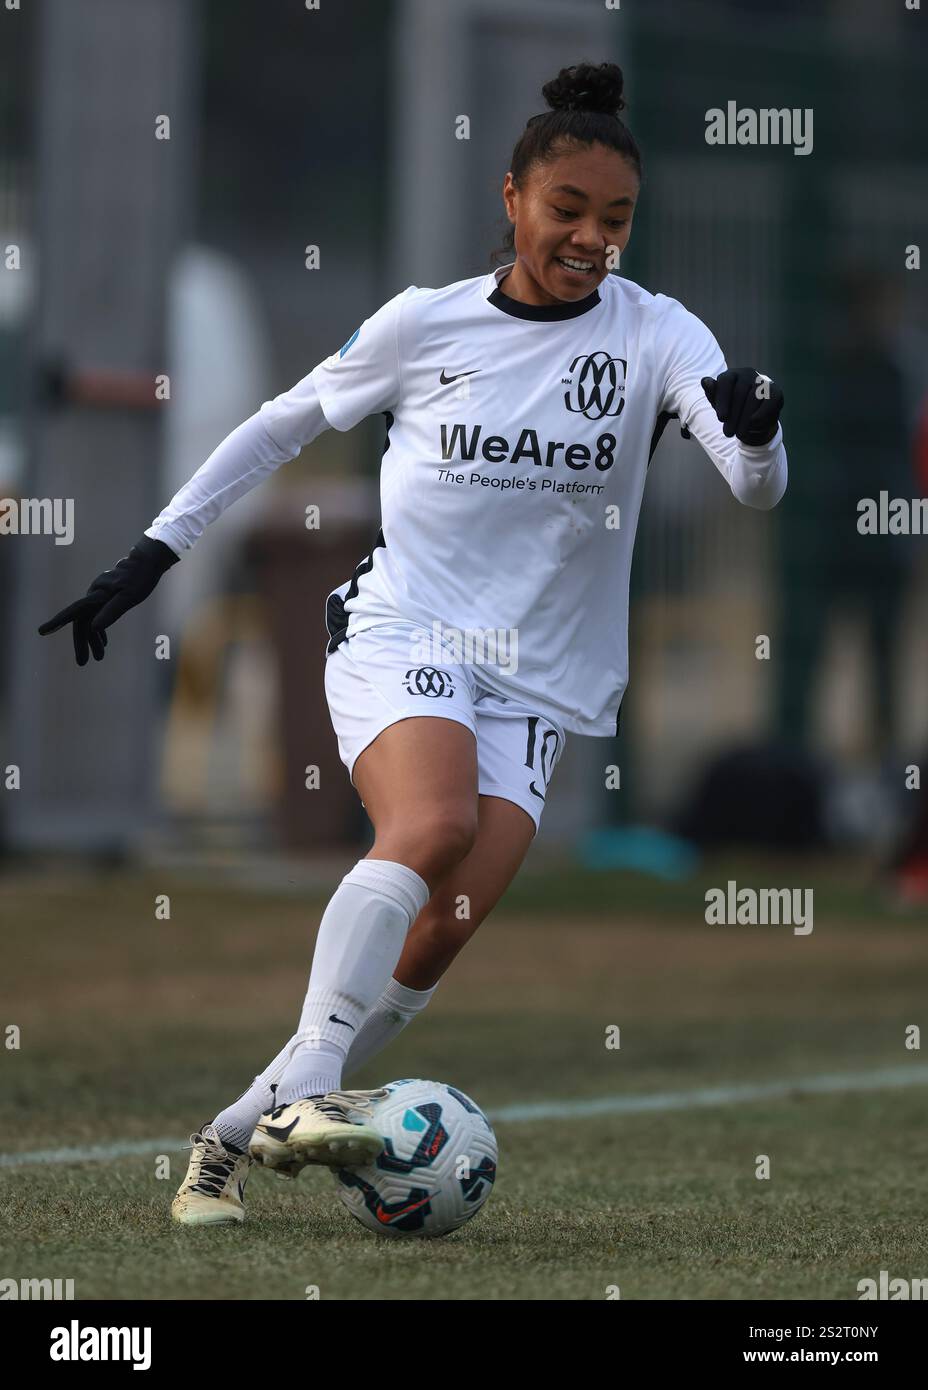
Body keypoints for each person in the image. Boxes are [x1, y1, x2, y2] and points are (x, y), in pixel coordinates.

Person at [37, 61, 787, 1224]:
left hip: (538, 682)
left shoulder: (656, 333)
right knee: (428, 827)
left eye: (616, 219)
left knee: (443, 927)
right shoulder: (424, 323)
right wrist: (153, 552)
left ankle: (234, 1135)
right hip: (407, 627)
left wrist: (759, 434)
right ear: (512, 198)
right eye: (568, 210)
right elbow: (278, 424)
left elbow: (749, 485)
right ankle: (324, 1091)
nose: (592, 238)